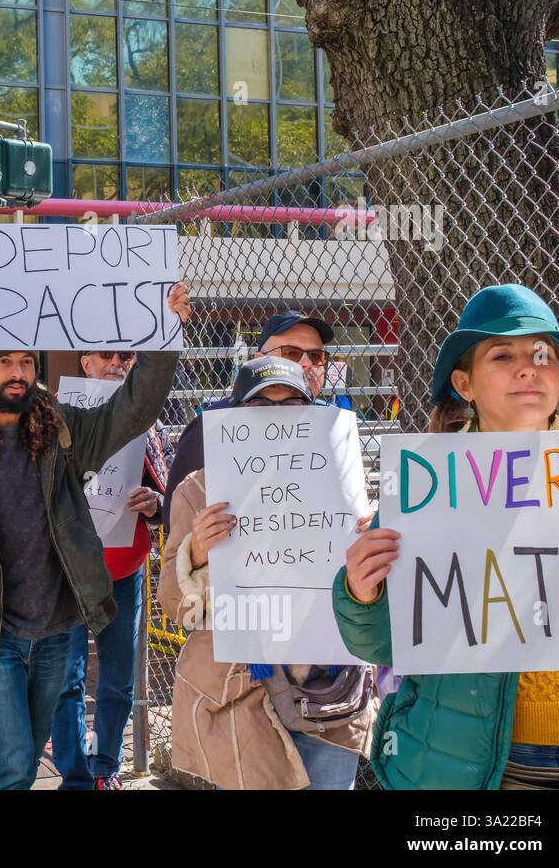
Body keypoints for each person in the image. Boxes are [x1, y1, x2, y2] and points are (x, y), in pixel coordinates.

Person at [0, 284, 189, 789]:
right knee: (13, 766)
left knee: (27, 761)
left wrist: (164, 335)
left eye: (27, 363)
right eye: (4, 361)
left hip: (56, 631)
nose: (17, 373)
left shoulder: (59, 429)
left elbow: (133, 410)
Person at [335, 284, 559, 789]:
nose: (528, 367)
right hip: (484, 761)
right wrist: (360, 592)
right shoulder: (422, 491)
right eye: (503, 354)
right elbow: (383, 641)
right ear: (464, 383)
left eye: (543, 354)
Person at [159, 356, 376, 789]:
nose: (277, 416)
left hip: (329, 690)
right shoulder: (199, 490)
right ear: (236, 417)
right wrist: (197, 553)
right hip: (239, 693)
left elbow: (365, 593)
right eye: (262, 407)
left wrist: (367, 549)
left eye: (292, 405)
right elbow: (173, 606)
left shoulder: (343, 482)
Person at [50, 348, 168, 790]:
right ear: (85, 364)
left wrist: (155, 505)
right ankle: (75, 775)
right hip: (68, 573)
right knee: (67, 679)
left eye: (128, 356)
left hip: (124, 571)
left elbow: (168, 488)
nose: (119, 363)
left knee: (118, 680)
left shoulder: (146, 422)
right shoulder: (58, 420)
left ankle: (105, 767)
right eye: (108, 355)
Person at [163, 311, 334, 532]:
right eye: (292, 353)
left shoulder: (331, 427)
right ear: (259, 359)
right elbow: (174, 519)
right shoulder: (211, 427)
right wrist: (196, 547)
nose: (306, 364)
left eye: (316, 356)